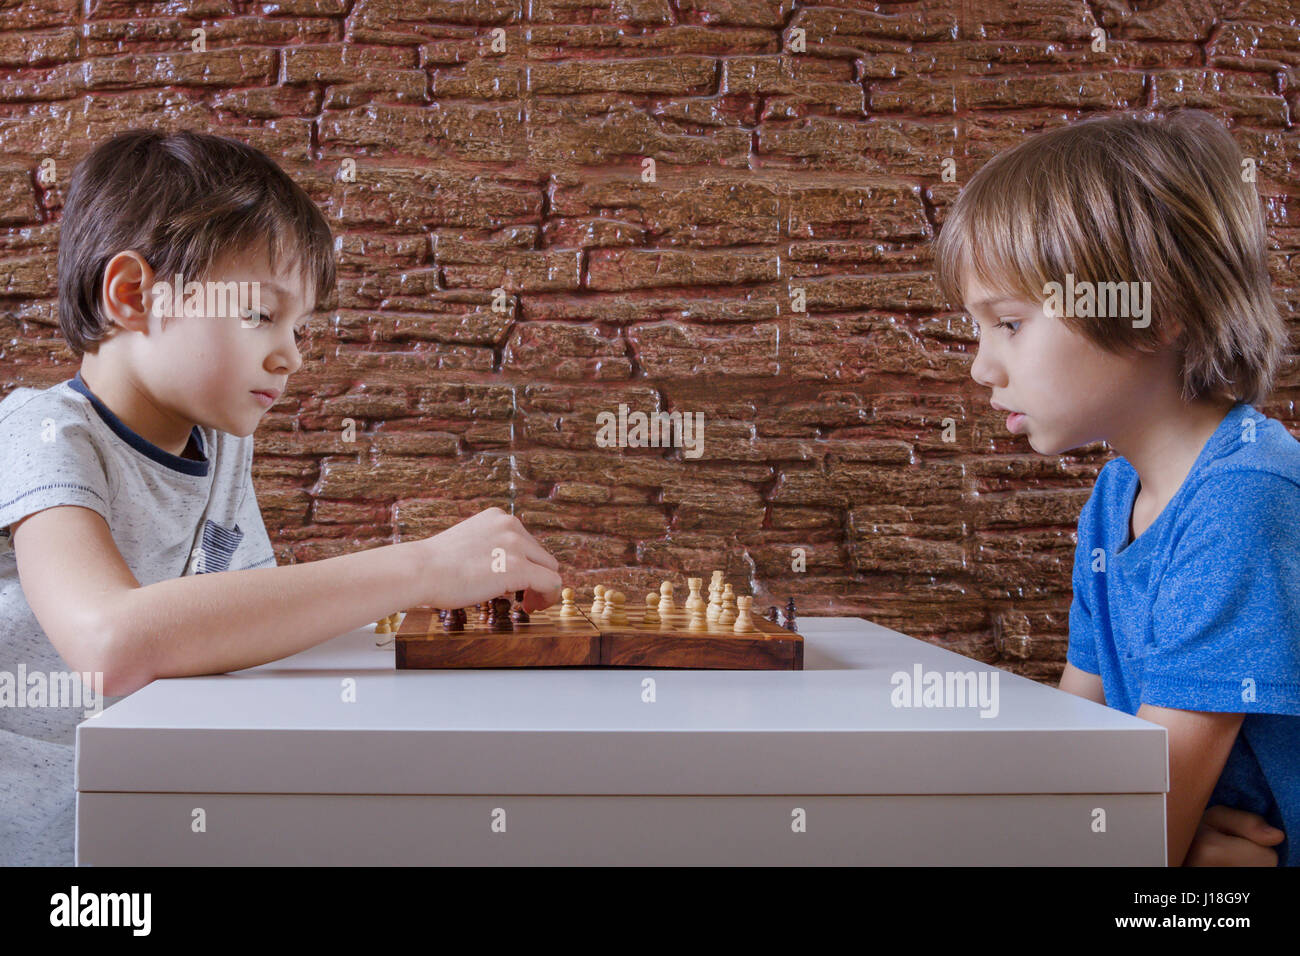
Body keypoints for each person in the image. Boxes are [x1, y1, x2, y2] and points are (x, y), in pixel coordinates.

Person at [0, 129, 562, 866]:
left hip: (144, 823)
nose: (291, 354)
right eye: (260, 315)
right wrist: (424, 567)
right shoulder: (39, 431)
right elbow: (112, 645)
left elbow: (249, 629)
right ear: (135, 294)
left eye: (297, 327)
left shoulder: (223, 446)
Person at [934, 110, 1300, 866]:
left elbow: (1128, 842)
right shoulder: (1115, 496)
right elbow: (1077, 758)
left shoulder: (1241, 502)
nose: (981, 368)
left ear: (1150, 309)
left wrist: (1139, 837)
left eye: (1007, 324)